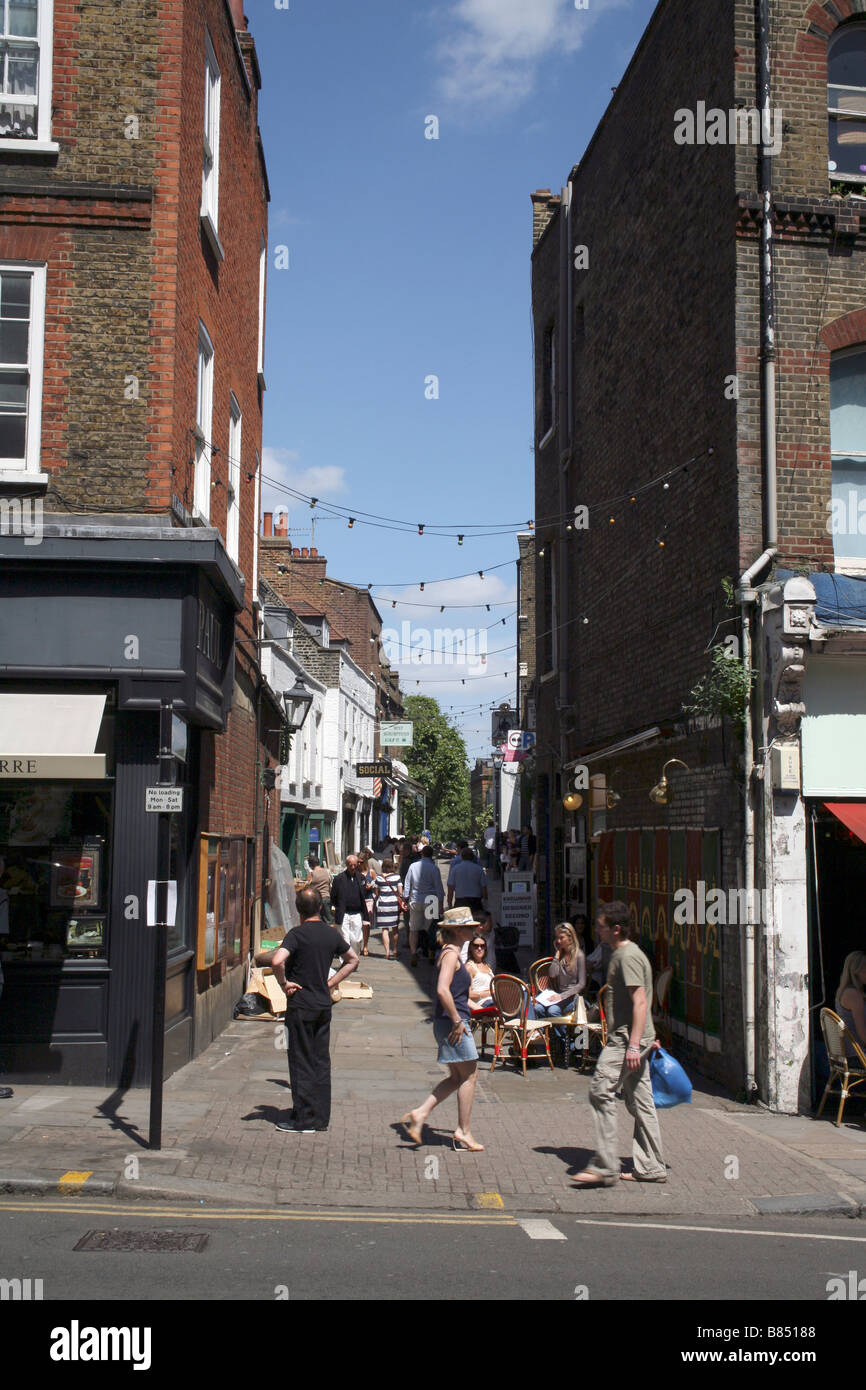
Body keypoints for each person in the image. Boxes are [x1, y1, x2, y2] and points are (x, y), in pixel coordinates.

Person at [573, 901, 665, 1187]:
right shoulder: (619, 954)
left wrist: (636, 1044)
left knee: (601, 1090)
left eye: (600, 926)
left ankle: (605, 1165)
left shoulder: (628, 957)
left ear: (615, 929)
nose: (596, 930)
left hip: (626, 1040)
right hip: (633, 1036)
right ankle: (651, 1166)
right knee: (641, 1102)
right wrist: (648, 1037)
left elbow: (640, 1001)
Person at [271, 887, 359, 1133]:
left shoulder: (296, 935)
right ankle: (320, 1118)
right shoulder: (331, 935)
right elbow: (353, 959)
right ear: (320, 907)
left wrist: (283, 983)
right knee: (320, 1060)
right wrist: (331, 983)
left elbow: (277, 960)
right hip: (322, 1004)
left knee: (301, 1060)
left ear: (298, 910)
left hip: (301, 1005)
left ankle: (303, 1119)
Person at [399, 907, 484, 1152]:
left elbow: (455, 993)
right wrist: (458, 1020)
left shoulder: (453, 952)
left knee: (458, 1077)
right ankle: (463, 1131)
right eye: (469, 927)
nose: (474, 930)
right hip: (452, 1023)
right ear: (458, 930)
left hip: (449, 1020)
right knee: (469, 1076)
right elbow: (442, 990)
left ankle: (419, 1114)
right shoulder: (450, 955)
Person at [532, 922, 586, 1061]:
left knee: (553, 1011)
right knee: (538, 1008)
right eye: (557, 938)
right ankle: (550, 1040)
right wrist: (556, 957)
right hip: (557, 995)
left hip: (572, 996)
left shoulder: (579, 956)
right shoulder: (560, 956)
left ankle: (566, 1042)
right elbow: (552, 974)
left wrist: (562, 996)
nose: (558, 941)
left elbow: (581, 984)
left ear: (570, 938)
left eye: (561, 938)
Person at [403, 844, 444, 967]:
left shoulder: (413, 866)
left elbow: (407, 884)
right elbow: (439, 887)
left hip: (416, 899)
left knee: (414, 929)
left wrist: (405, 899)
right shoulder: (434, 868)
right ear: (432, 855)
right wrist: (441, 903)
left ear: (422, 854)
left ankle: (414, 952)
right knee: (431, 928)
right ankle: (431, 951)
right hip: (431, 900)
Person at [330, 854, 370, 953]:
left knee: (356, 939)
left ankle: (354, 958)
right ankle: (345, 962)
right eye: (350, 865)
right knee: (344, 939)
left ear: (357, 865)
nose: (352, 867)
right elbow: (333, 896)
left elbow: (364, 894)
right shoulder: (339, 879)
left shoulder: (361, 878)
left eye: (354, 865)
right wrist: (334, 907)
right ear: (346, 865)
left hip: (357, 913)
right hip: (344, 913)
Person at [373, 855, 405, 960]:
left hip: (382, 905)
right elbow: (400, 892)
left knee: (384, 929)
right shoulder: (397, 877)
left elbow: (377, 893)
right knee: (395, 929)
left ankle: (386, 952)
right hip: (393, 906)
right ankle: (394, 950)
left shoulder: (379, 878)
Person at [835, 951, 866, 1052]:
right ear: (856, 971)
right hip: (858, 1055)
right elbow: (863, 1033)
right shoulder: (854, 995)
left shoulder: (844, 991)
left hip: (849, 1052)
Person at [447, 847, 487, 915]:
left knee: (461, 923)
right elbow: (484, 887)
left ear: (462, 857)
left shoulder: (455, 869)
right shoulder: (478, 869)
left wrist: (450, 904)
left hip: (460, 901)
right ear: (473, 857)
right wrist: (485, 901)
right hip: (476, 902)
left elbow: (450, 888)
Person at [466, 933, 495, 1008]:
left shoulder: (487, 966)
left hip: (495, 1000)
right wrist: (489, 993)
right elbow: (467, 994)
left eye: (482, 946)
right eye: (476, 946)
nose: (479, 948)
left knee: (523, 994)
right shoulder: (469, 967)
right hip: (483, 1004)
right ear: (471, 948)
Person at [358, 850, 378, 957]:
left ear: (365, 862)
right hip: (357, 900)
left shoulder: (371, 872)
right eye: (358, 862)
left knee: (366, 925)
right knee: (357, 924)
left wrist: (372, 886)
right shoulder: (356, 872)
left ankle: (365, 946)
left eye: (361, 862)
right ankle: (358, 945)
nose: (359, 864)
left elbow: (377, 885)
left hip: (369, 899)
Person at [303, 852, 332, 925]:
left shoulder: (312, 874)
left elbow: (307, 885)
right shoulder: (326, 872)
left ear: (311, 865)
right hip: (327, 897)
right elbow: (330, 882)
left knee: (317, 921)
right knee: (328, 921)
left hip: (317, 899)